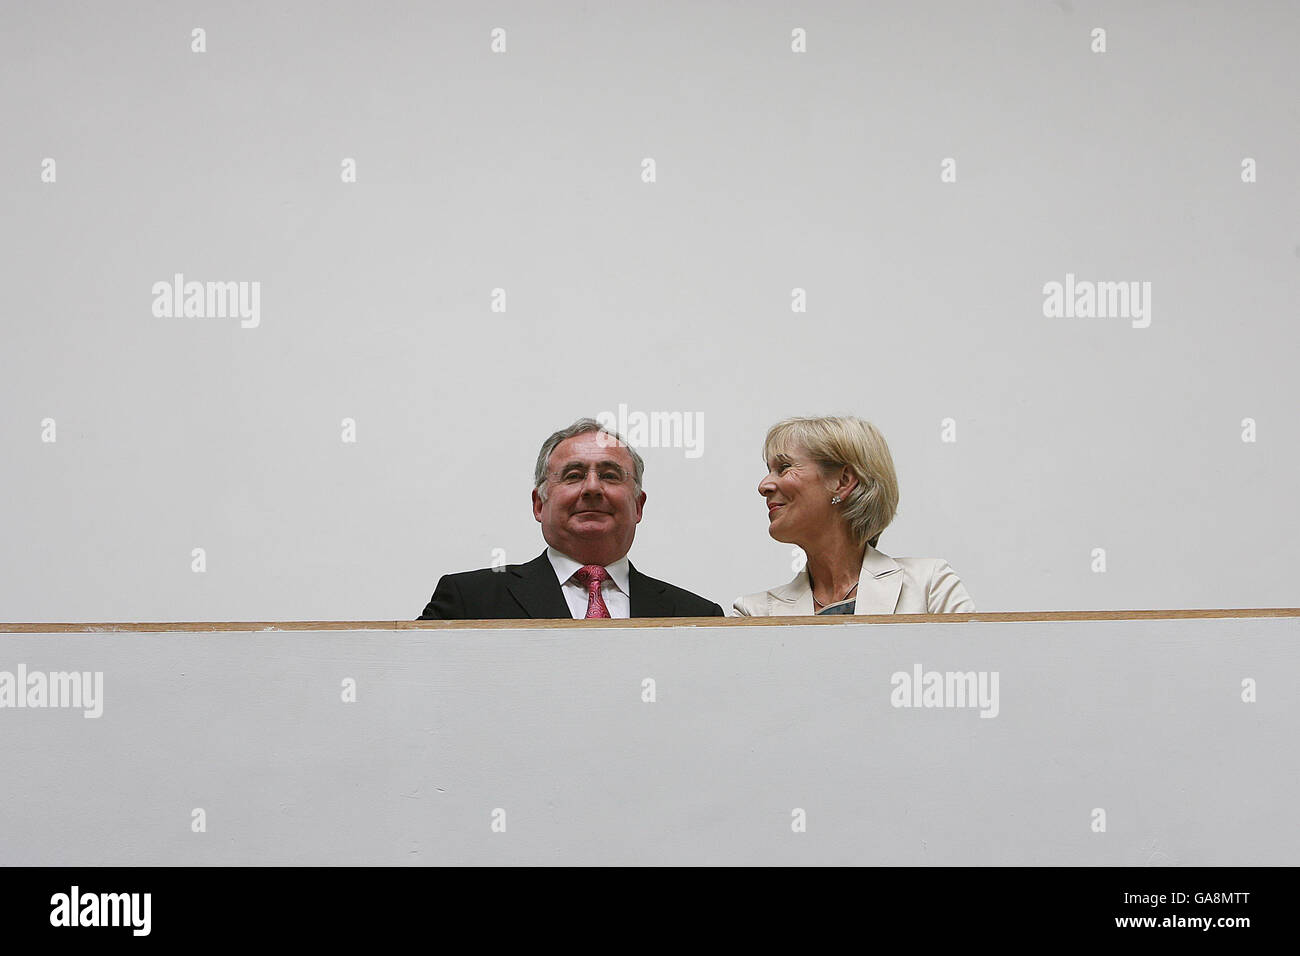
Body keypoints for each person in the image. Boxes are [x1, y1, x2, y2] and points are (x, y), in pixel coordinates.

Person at [418, 418, 724, 620]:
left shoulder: (696, 617)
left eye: (609, 475)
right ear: (539, 504)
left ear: (638, 505)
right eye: (573, 476)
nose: (592, 488)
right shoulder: (468, 602)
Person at [730, 416, 974, 616]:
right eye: (769, 471)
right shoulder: (754, 613)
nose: (764, 485)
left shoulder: (930, 587)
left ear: (843, 481)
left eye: (784, 467)